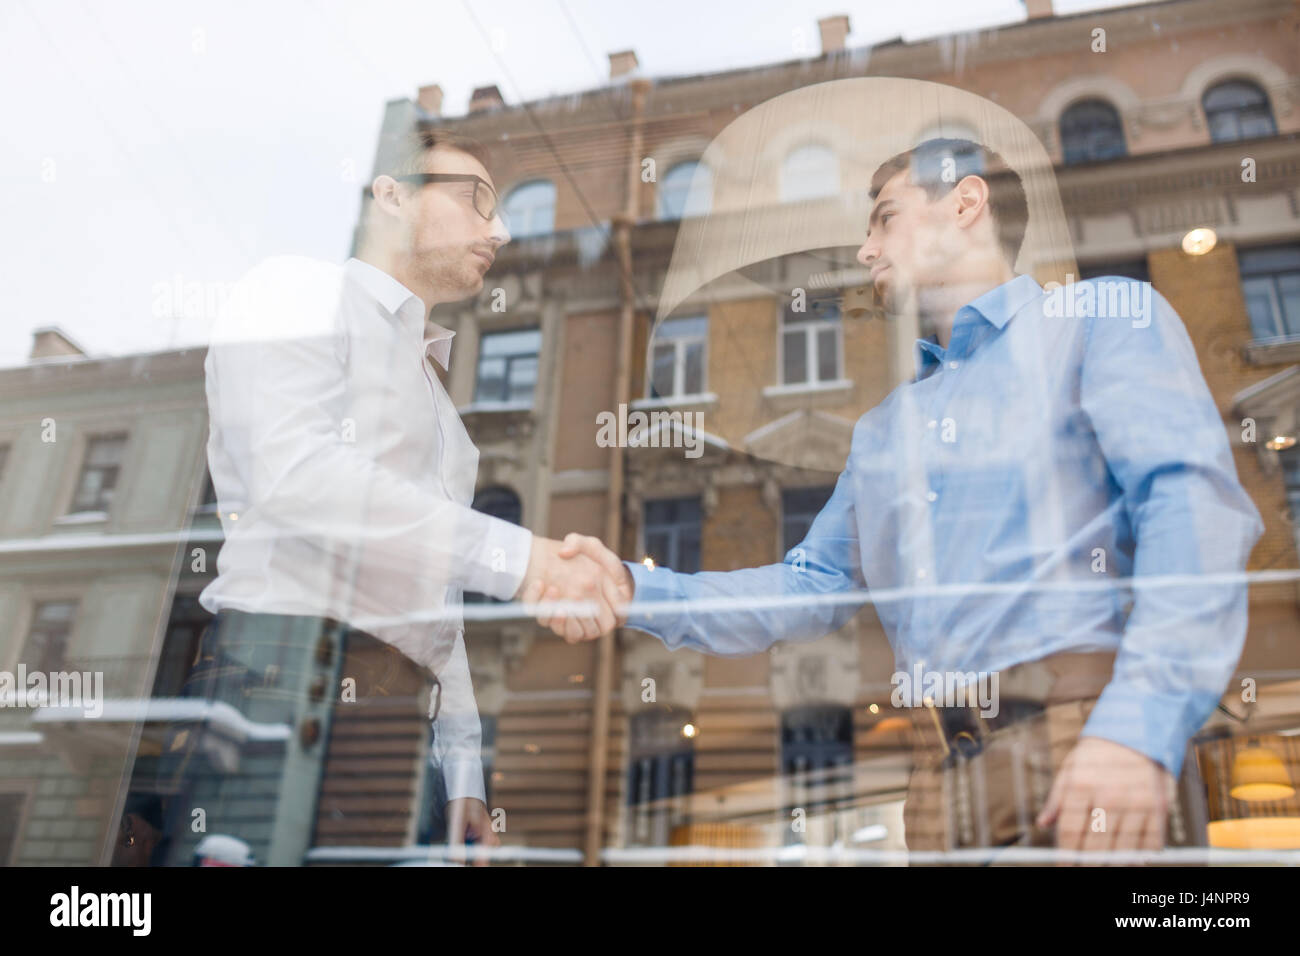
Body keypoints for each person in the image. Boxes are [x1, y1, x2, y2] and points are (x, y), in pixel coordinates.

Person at [558, 138, 1264, 862]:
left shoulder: (1101, 319)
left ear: (965, 202)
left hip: (1082, 744)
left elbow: (1192, 510)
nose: (866, 251)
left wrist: (1137, 725)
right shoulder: (888, 428)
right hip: (936, 786)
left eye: (883, 219)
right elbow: (811, 585)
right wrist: (635, 587)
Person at [171, 126, 629, 866]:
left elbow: (433, 609)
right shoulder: (297, 289)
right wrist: (525, 561)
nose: (502, 230)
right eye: (479, 201)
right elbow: (297, 475)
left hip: (383, 722)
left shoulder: (440, 410)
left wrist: (463, 775)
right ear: (390, 195)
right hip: (282, 679)